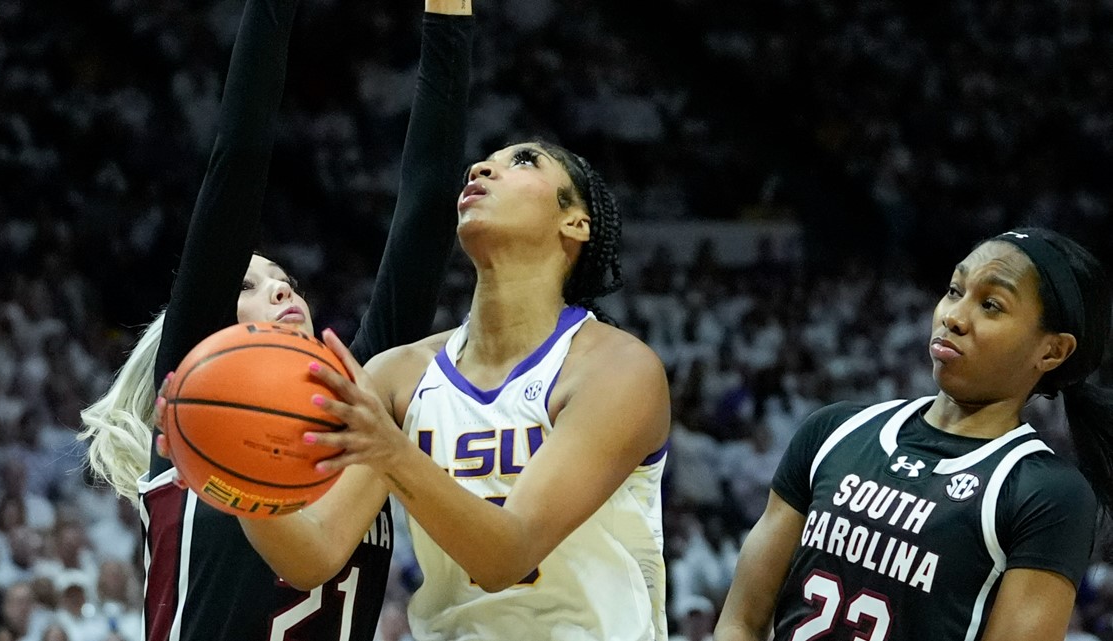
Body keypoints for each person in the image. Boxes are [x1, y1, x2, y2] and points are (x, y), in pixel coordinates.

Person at [78, 0, 475, 639]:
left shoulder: (365, 407)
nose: (283, 292)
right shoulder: (199, 398)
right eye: (250, 285)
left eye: (287, 283)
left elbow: (427, 212)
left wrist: (449, 18)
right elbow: (238, 160)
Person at [179, 141, 672, 639]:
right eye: (485, 161)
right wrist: (239, 479)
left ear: (576, 223)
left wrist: (395, 453)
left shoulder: (617, 369)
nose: (480, 167)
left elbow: (508, 556)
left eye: (522, 161)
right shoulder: (398, 374)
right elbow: (316, 554)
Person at [712, 227, 1113, 641]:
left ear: (1052, 351)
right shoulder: (833, 431)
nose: (953, 317)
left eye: (991, 305)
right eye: (955, 291)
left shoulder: (1044, 491)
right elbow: (740, 621)